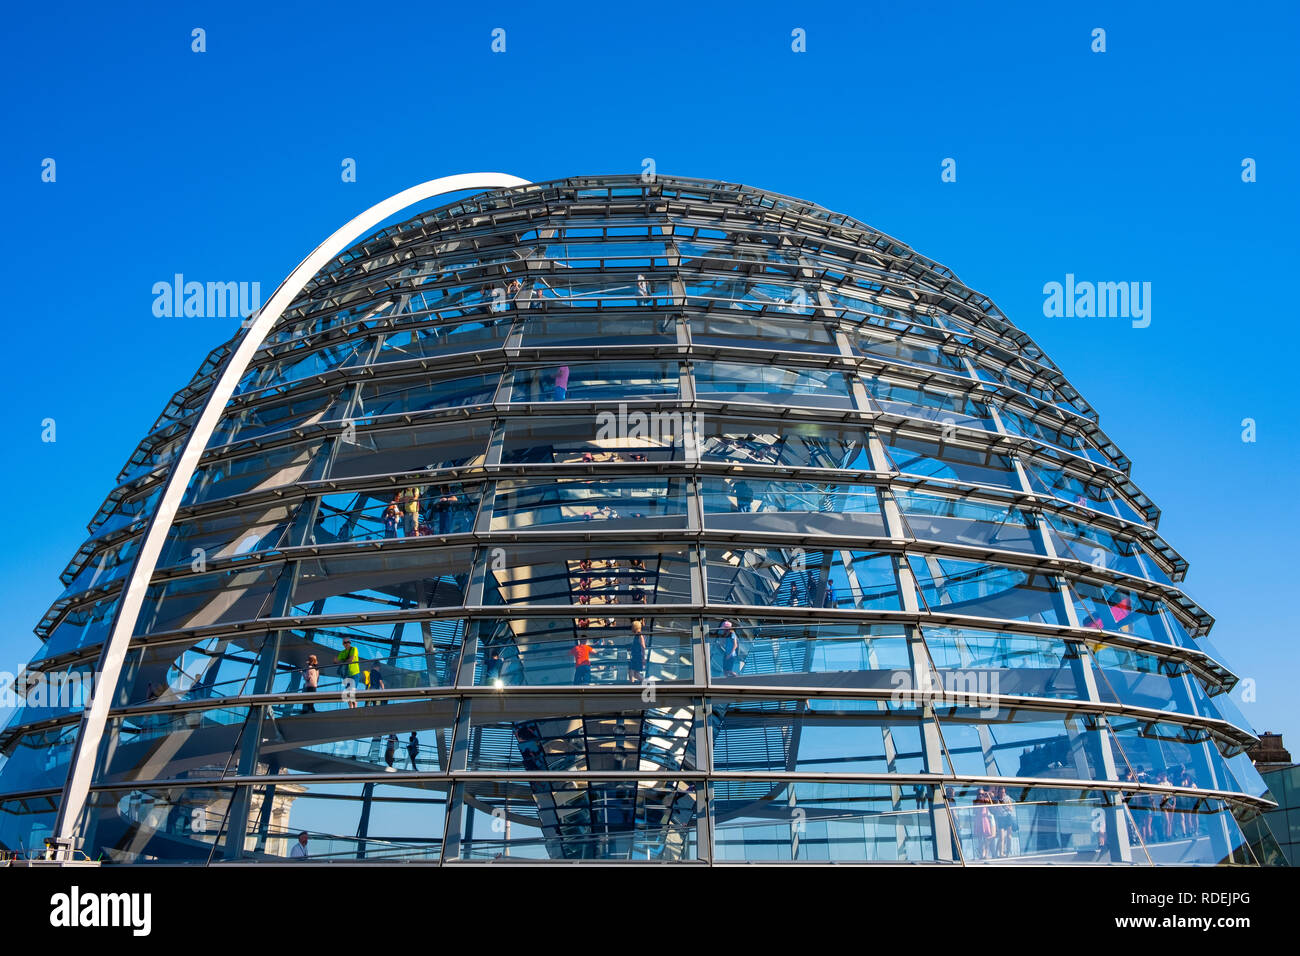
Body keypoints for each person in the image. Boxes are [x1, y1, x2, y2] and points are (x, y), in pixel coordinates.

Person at [337, 638, 360, 708]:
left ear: (350, 643)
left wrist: (343, 661)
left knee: (352, 691)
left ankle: (355, 707)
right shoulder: (342, 652)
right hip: (346, 675)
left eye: (348, 642)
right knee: (348, 692)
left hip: (354, 673)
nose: (347, 643)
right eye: (345, 642)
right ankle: (351, 708)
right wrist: (344, 661)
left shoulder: (354, 649)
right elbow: (336, 661)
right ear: (343, 644)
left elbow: (351, 659)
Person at [628, 618, 647, 683]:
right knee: (635, 674)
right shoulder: (637, 635)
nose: (631, 629)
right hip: (636, 656)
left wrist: (643, 658)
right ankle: (647, 682)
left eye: (632, 627)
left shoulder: (640, 636)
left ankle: (632, 685)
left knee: (631, 672)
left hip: (638, 657)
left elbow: (643, 647)